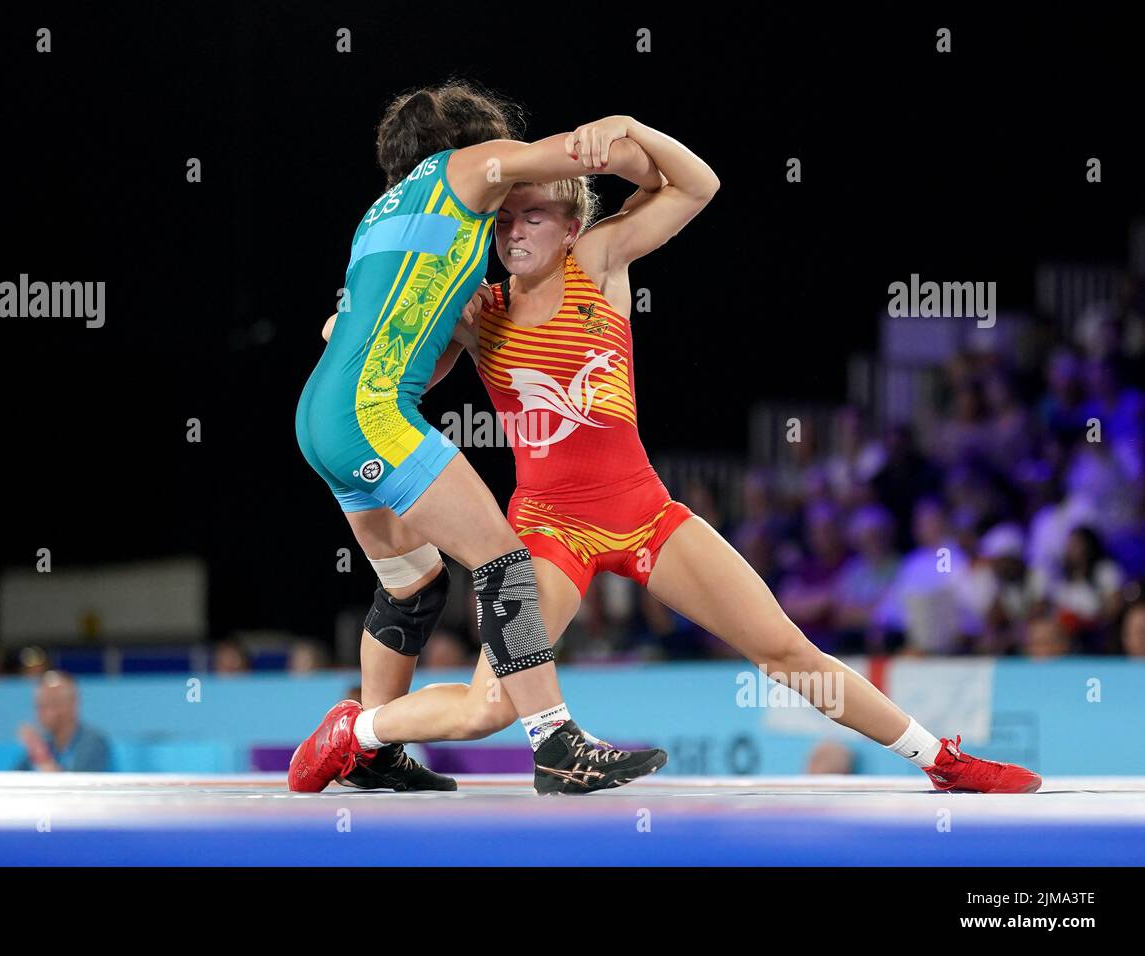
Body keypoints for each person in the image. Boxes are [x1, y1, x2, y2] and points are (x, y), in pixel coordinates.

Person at [330, 116, 1041, 794]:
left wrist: (630, 128)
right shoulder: (475, 308)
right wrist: (346, 323)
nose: (515, 230)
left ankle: (939, 759)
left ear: (572, 226)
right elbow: (387, 332)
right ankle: (357, 727)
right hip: (545, 532)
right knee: (491, 707)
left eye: (535, 216)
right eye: (506, 219)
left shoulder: (600, 259)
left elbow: (698, 185)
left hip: (645, 514)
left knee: (790, 654)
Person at [290, 82, 669, 795]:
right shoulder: (470, 167)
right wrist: (620, 125)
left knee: (412, 588)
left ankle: (369, 747)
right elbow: (598, 159)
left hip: (320, 411)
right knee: (503, 560)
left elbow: (354, 336)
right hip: (369, 414)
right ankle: (556, 743)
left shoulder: (379, 215)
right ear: (471, 143)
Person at [15, 671, 113, 772]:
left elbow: (75, 786)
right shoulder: (47, 742)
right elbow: (13, 778)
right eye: (41, 705)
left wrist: (39, 753)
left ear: (73, 703)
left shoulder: (94, 743)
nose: (46, 712)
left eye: (53, 703)